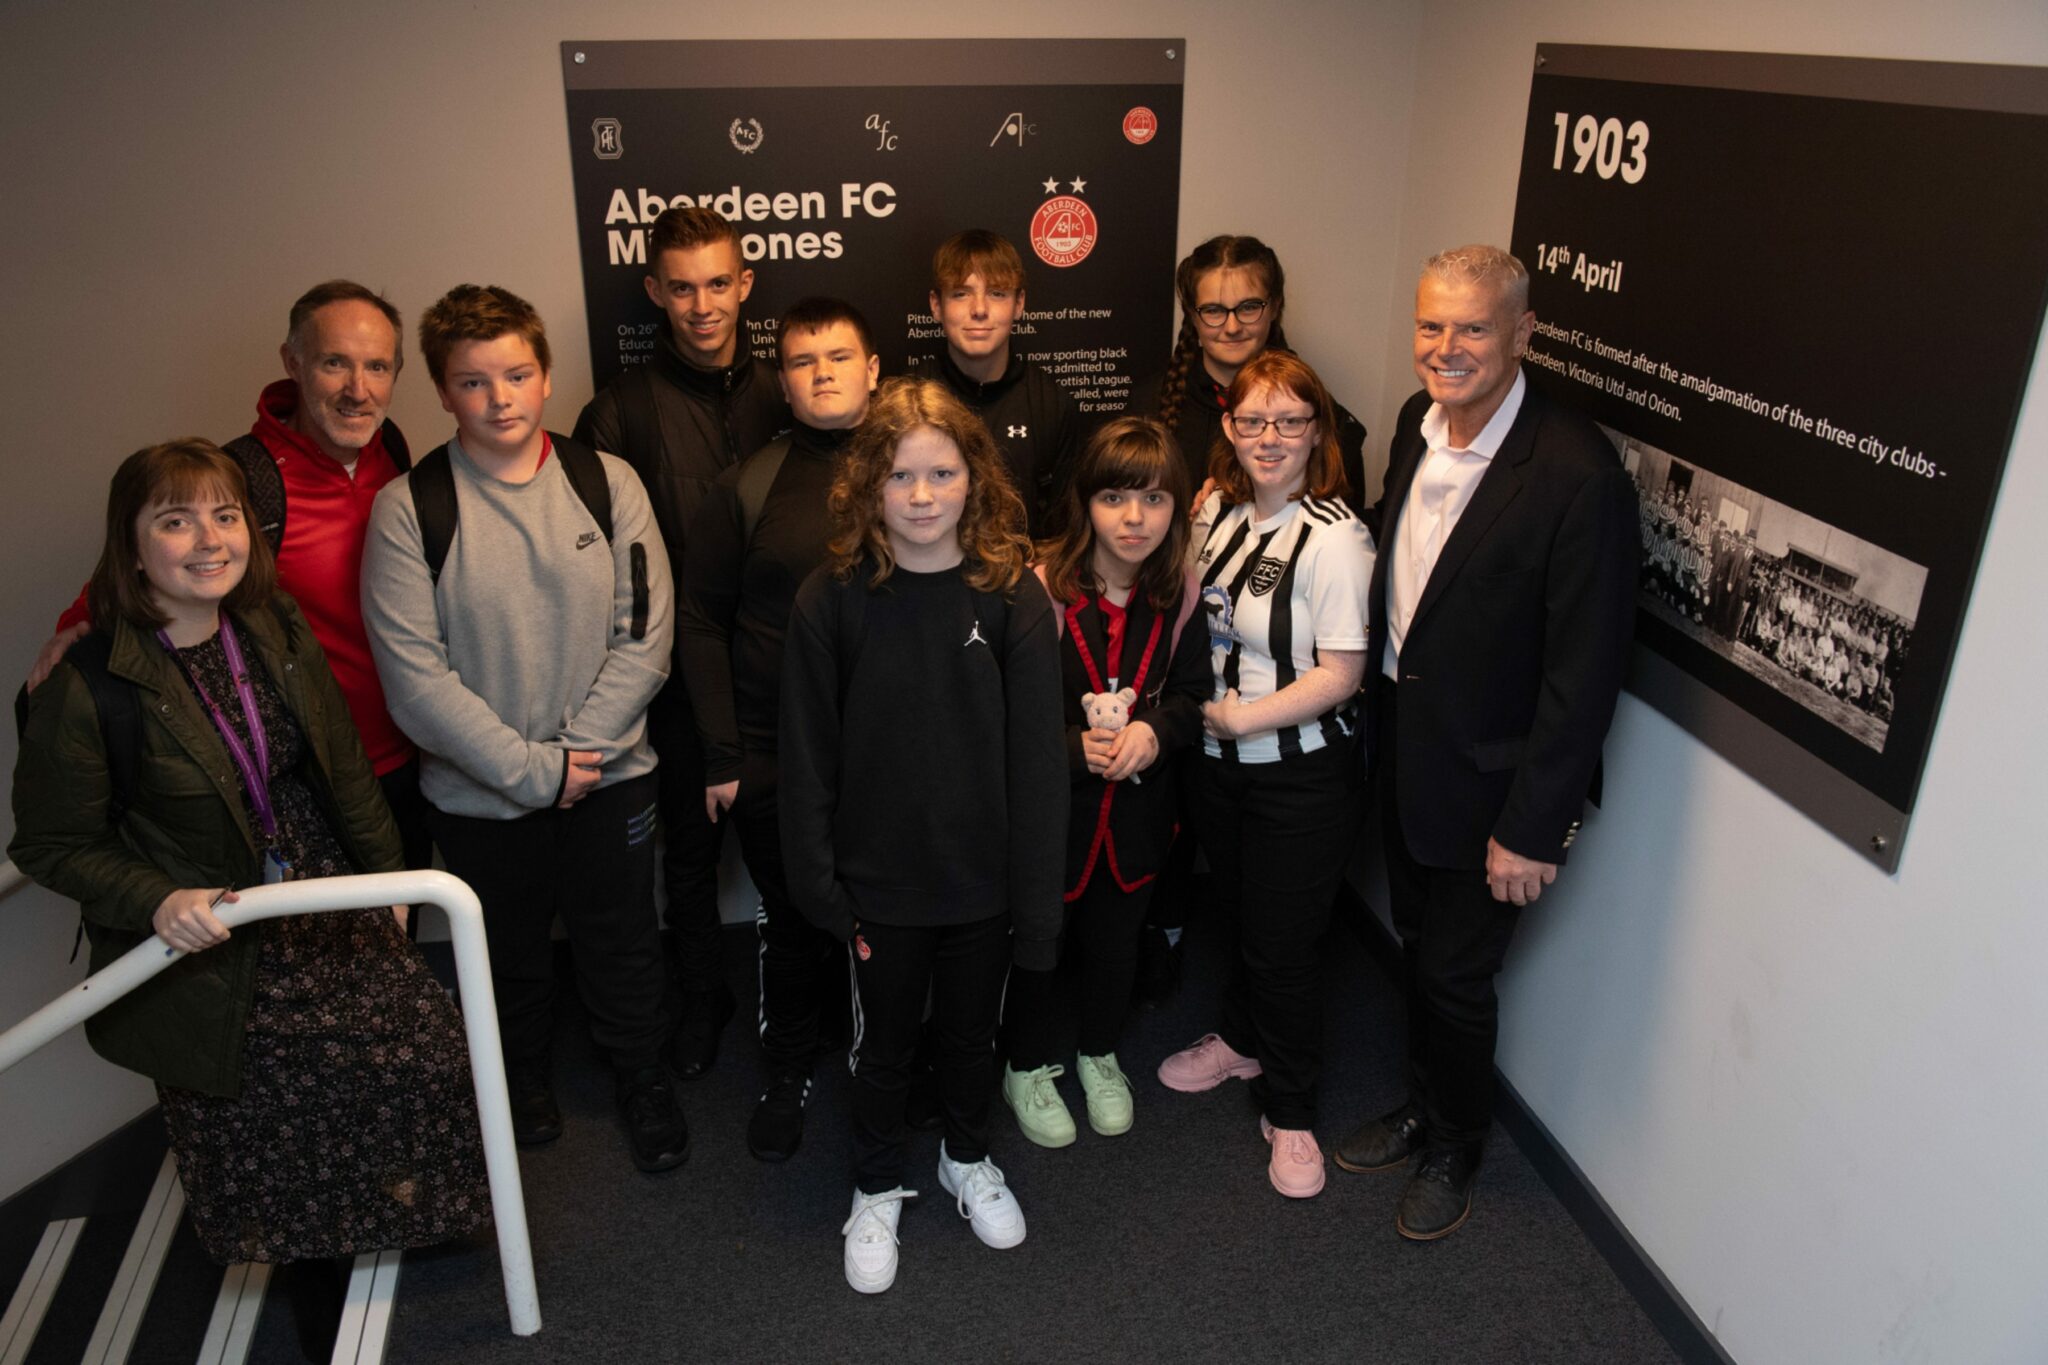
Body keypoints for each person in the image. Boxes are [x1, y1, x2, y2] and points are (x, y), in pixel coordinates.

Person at [10, 439, 487, 1353]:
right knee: (258, 1106)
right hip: (209, 937)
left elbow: (341, 766)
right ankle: (302, 1259)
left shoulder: (272, 627)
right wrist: (152, 896)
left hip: (314, 892)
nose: (208, 538)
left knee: (422, 1046)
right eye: (176, 518)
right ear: (130, 542)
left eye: (224, 515)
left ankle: (403, 1213)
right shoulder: (87, 687)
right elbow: (49, 842)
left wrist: (387, 884)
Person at [1336, 245, 1637, 1240]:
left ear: (1521, 334)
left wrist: (1533, 827)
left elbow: (1582, 673)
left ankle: (1456, 1146)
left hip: (1495, 792)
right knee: (1421, 954)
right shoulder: (1411, 428)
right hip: (1405, 758)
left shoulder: (1573, 475)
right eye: (1430, 325)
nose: (1445, 347)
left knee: (1457, 981)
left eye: (1471, 328)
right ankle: (1425, 1107)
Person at [362, 284, 687, 1173]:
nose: (498, 398)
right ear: (441, 392)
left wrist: (580, 753)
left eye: (516, 375)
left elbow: (646, 632)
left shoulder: (603, 482)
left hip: (610, 773)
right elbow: (416, 681)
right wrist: (534, 771)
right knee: (505, 956)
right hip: (479, 796)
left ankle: (641, 1077)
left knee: (622, 940)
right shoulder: (410, 508)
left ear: (545, 379)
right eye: (473, 382)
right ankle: (522, 1080)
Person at [778, 378, 1064, 1294]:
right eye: (901, 476)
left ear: (975, 481)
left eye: (943, 472)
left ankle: (967, 1158)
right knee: (883, 1046)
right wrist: (823, 888)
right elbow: (809, 756)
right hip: (879, 890)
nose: (924, 495)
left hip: (982, 885)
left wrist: (1036, 903)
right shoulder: (831, 600)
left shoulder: (1013, 597)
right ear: (868, 486)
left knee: (974, 1041)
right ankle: (874, 1182)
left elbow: (1037, 768)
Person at [28, 282, 436, 873]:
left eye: (377, 367)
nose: (358, 390)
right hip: (305, 777)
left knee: (397, 942)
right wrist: (76, 626)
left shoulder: (391, 450)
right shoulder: (243, 476)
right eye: (334, 364)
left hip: (408, 760)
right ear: (292, 362)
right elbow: (142, 560)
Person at [574, 205, 791, 1081]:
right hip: (672, 677)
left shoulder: (787, 389)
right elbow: (600, 572)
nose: (702, 305)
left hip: (781, 669)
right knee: (690, 853)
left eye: (718, 284)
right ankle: (703, 996)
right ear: (655, 290)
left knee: (794, 843)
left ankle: (804, 1001)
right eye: (682, 287)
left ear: (744, 284)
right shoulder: (619, 411)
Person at [1155, 350, 1375, 1200]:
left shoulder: (1336, 535)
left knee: (1286, 946)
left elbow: (1342, 671)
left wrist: (1245, 717)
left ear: (1316, 429)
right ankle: (1242, 1039)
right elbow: (1187, 612)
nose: (1270, 437)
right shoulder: (1219, 516)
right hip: (1216, 769)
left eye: (1289, 420)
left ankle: (1293, 1111)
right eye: (1252, 420)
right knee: (1245, 917)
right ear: (1229, 428)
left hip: (1300, 776)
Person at [678, 297, 879, 1162]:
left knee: (887, 922)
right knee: (792, 921)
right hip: (772, 755)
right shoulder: (748, 486)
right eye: (803, 360)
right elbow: (700, 621)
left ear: (875, 369)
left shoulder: (917, 472)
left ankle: (886, 1067)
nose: (823, 371)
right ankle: (789, 1067)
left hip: (889, 759)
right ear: (784, 381)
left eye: (840, 355)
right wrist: (725, 752)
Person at [999, 416, 1210, 1148]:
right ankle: (1025, 1064)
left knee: (1118, 943)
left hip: (1139, 819)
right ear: (1084, 502)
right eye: (1115, 497)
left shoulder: (1179, 592)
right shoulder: (1037, 592)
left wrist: (1157, 731)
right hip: (1054, 818)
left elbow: (1192, 696)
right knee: (1038, 942)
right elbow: (1002, 716)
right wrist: (1067, 749)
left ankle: (1098, 1052)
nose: (1134, 518)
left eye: (1154, 500)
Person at [1136, 234, 1368, 518]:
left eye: (1248, 307)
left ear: (1274, 307)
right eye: (1213, 310)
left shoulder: (1324, 419)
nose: (1232, 327)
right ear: (1191, 315)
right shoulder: (1147, 409)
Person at [926, 229, 1079, 536]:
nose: (979, 310)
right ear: (936, 305)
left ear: (1019, 303)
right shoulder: (911, 402)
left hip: (1023, 577)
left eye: (997, 293)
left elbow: (1064, 527)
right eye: (961, 293)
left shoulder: (1051, 403)